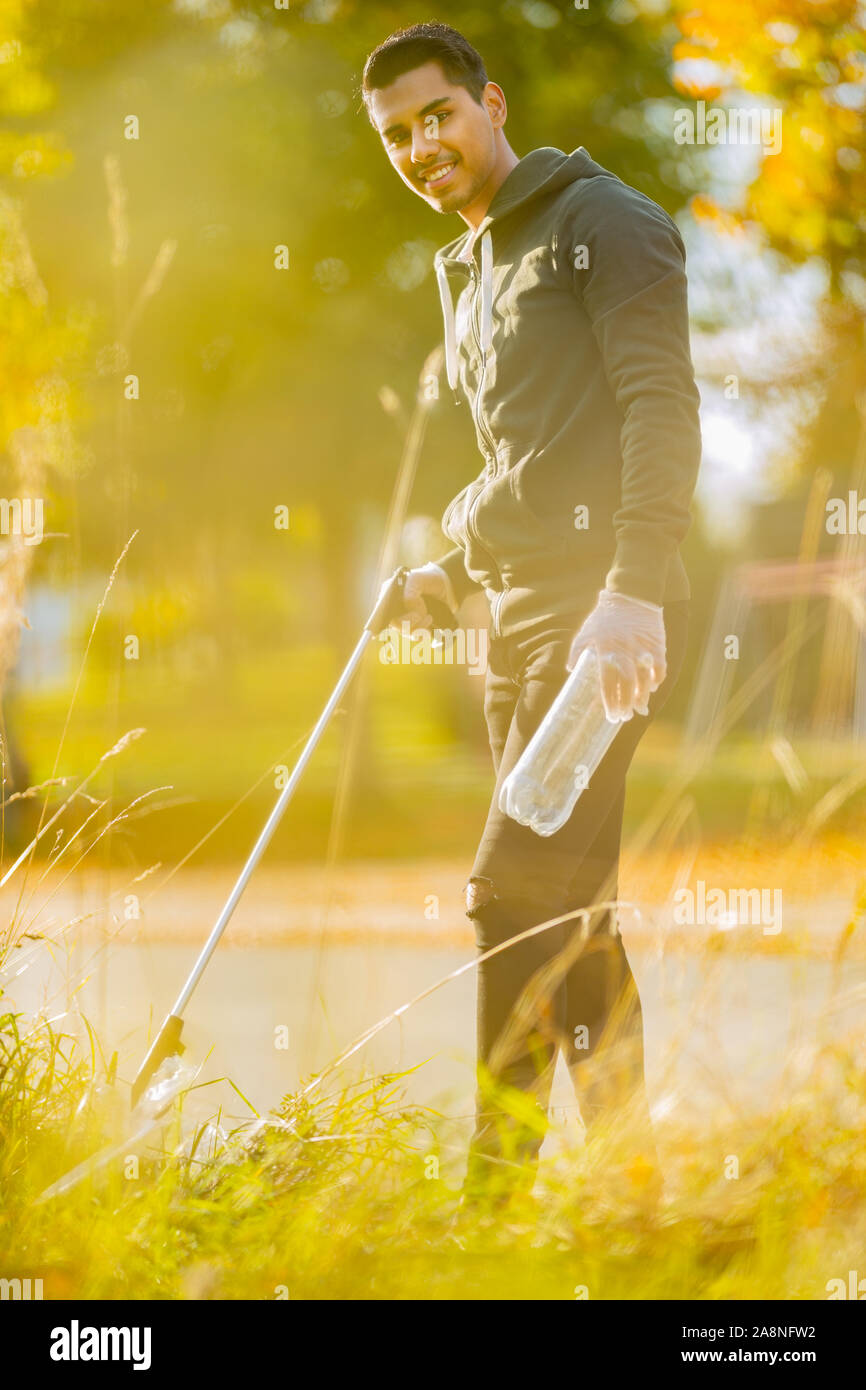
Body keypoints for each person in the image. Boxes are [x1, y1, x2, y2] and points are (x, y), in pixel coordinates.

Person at [361, 22, 701, 1201]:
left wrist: (632, 592)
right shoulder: (468, 267)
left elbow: (660, 411)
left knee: (510, 893)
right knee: (574, 922)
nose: (421, 146)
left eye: (436, 116)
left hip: (601, 625)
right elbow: (535, 460)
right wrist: (446, 566)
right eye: (397, 135)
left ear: (489, 104)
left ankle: (486, 1210)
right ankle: (637, 1204)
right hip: (512, 628)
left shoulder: (599, 222)